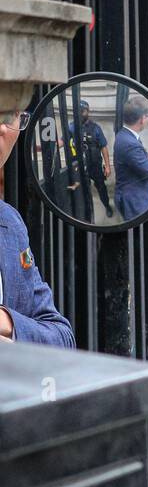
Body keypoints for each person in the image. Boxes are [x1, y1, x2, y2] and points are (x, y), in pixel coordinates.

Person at [0, 108, 75, 348]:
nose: (2, 127)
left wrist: (9, 323)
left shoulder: (9, 222)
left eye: (9, 115)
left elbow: (62, 336)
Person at [113, 97, 148, 219]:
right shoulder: (130, 144)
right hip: (135, 201)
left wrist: (144, 158)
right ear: (142, 119)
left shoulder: (124, 135)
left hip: (132, 197)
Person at [76, 99, 114, 219]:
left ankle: (107, 206)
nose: (82, 113)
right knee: (84, 192)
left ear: (88, 111)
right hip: (81, 167)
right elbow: (62, 141)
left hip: (95, 166)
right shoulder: (73, 127)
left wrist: (107, 166)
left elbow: (103, 147)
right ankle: (88, 213)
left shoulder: (95, 128)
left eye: (84, 111)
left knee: (102, 189)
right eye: (80, 111)